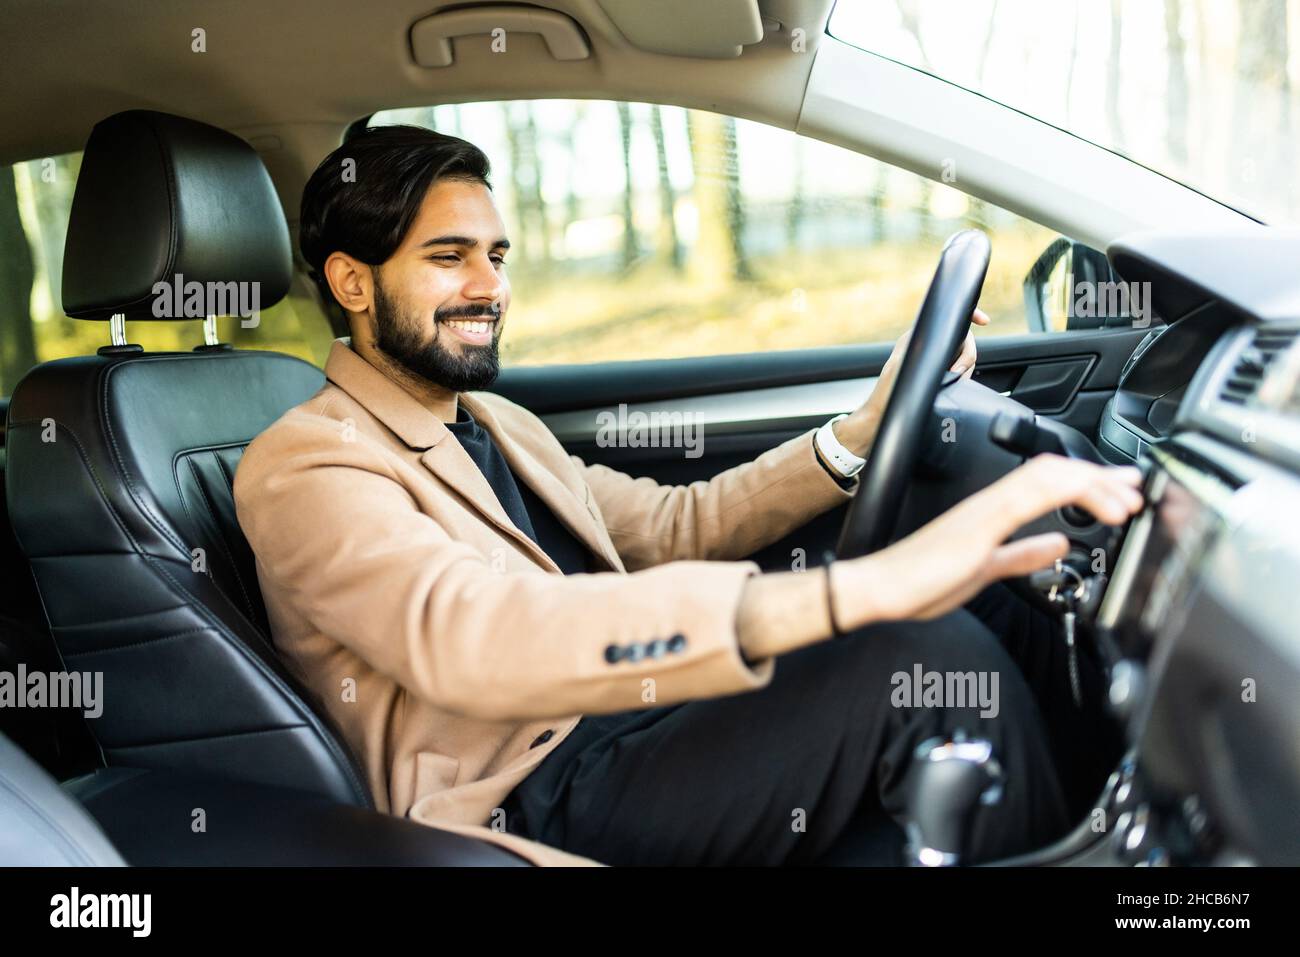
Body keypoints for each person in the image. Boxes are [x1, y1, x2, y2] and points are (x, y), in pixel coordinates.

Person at [233, 125, 1143, 867]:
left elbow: (674, 524)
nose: (490, 286)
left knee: (983, 592)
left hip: (636, 708)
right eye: (449, 257)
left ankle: (1117, 836)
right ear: (354, 281)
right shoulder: (308, 462)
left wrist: (865, 427)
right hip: (532, 795)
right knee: (919, 644)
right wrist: (852, 592)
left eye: (497, 255)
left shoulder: (493, 421)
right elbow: (473, 631)